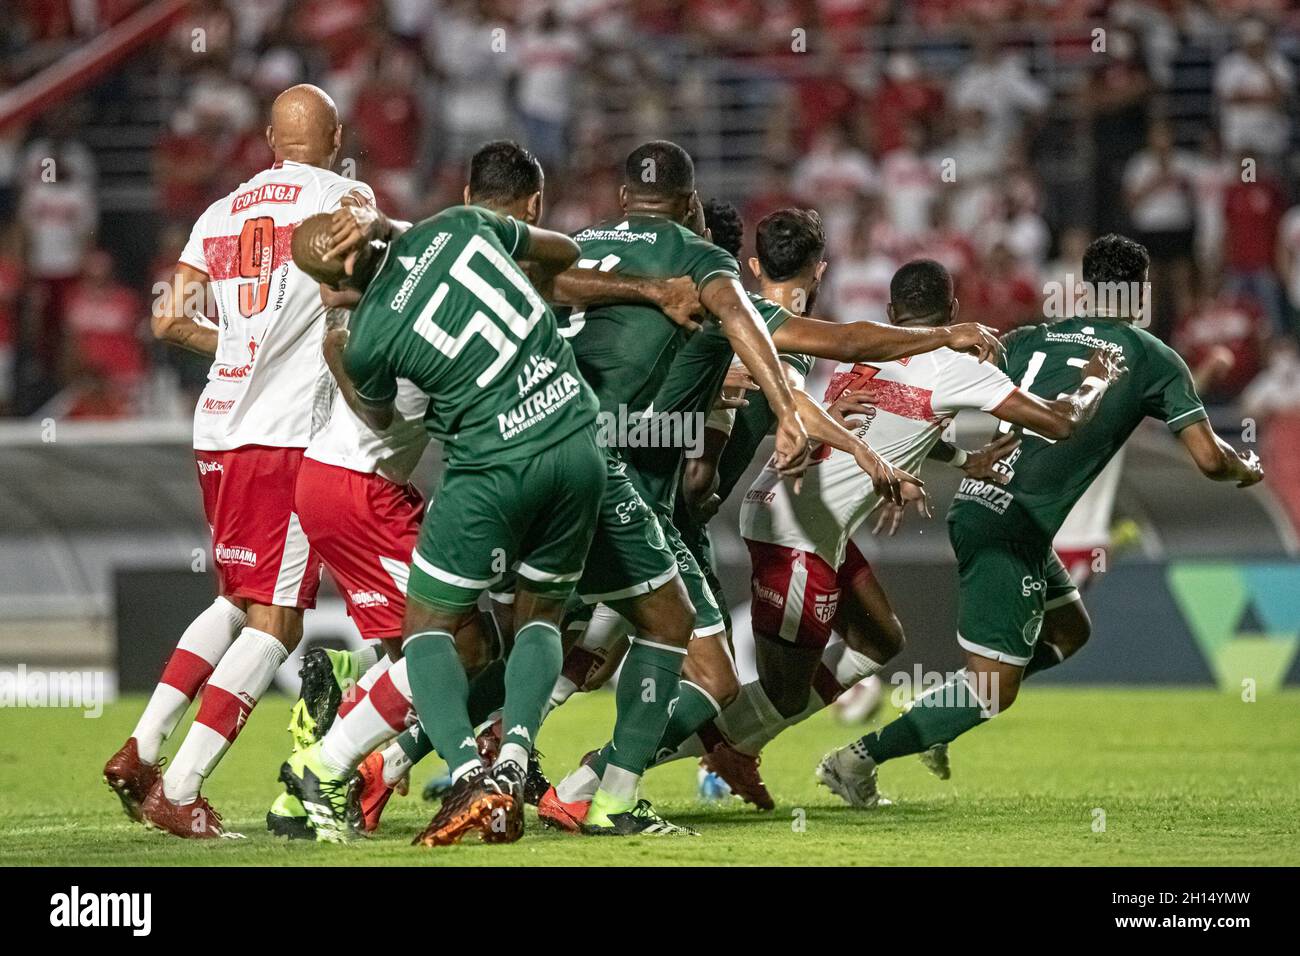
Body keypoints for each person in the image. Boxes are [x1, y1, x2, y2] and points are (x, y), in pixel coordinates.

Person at [817, 235, 1263, 808]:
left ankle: (941, 714)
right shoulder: (1152, 357)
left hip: (989, 506)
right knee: (993, 691)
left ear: (1084, 285)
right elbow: (1207, 458)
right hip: (1010, 521)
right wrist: (1245, 466)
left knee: (1070, 632)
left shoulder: (1028, 338)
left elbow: (929, 391)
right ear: (1141, 294)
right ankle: (858, 760)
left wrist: (891, 459)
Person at [103, 84, 375, 838]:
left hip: (218, 427)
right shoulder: (344, 193)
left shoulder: (220, 211)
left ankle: (142, 746)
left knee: (235, 597)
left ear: (268, 139)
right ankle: (182, 786)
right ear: (337, 136)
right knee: (279, 619)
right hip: (285, 435)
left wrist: (241, 350)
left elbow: (167, 318)